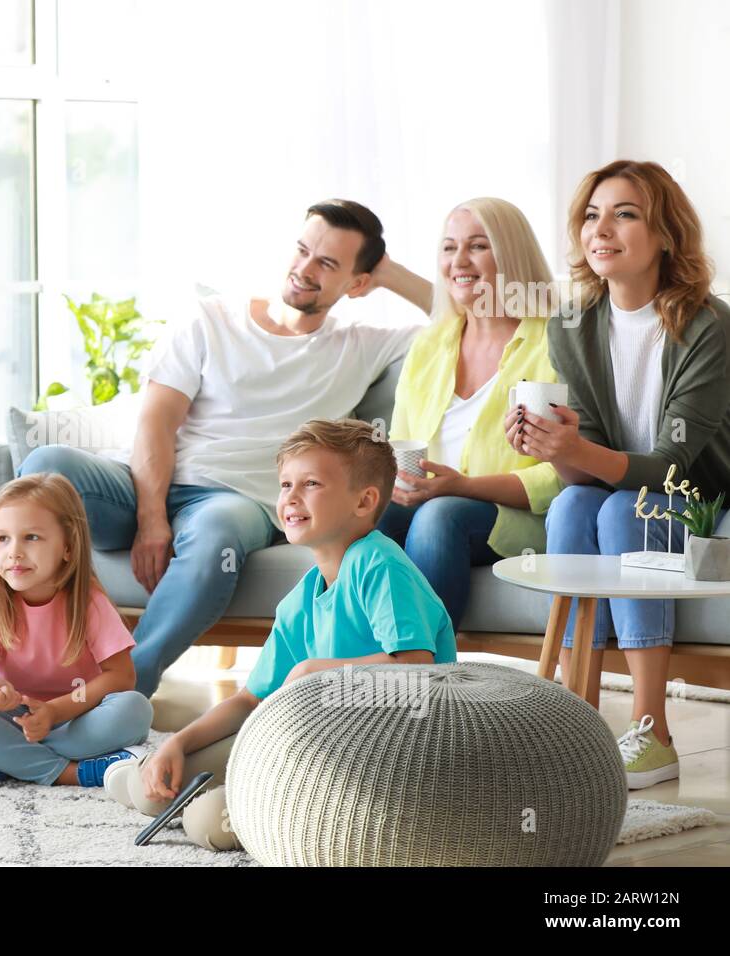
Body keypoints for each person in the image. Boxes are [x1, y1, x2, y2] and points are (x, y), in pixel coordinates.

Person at [20, 199, 432, 697]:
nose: (304, 269)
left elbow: (465, 314)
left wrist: (385, 269)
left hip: (234, 502)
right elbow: (156, 420)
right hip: (144, 485)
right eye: (303, 250)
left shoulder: (363, 345)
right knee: (44, 468)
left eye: (327, 263)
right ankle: (20, 663)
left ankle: (123, 689)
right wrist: (152, 518)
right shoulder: (211, 320)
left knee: (216, 535)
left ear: (358, 283)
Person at [106, 419, 455, 849]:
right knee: (157, 782)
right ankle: (131, 776)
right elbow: (250, 700)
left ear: (364, 502)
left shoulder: (378, 565)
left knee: (208, 823)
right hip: (313, 746)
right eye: (285, 484)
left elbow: (418, 668)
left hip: (383, 759)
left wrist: (317, 673)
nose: (290, 497)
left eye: (310, 484)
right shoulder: (299, 600)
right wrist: (176, 742)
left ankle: (189, 794)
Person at [506, 159, 730, 788]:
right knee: (574, 508)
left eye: (625, 214)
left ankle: (652, 729)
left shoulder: (708, 326)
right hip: (615, 493)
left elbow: (671, 465)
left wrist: (573, 449)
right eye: (591, 215)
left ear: (665, 234)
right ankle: (575, 722)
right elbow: (589, 469)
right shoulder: (572, 326)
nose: (601, 228)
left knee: (622, 507)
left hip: (699, 497)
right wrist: (549, 446)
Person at [377, 198, 563, 628]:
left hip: (518, 518)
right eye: (449, 247)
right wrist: (389, 482)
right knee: (362, 510)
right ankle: (341, 667)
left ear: (510, 255)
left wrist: (463, 486)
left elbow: (559, 476)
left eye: (478, 246)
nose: (459, 260)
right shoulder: (430, 344)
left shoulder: (553, 342)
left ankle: (423, 672)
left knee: (440, 515)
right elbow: (398, 444)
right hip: (430, 503)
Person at [0, 473, 154, 786]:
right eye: (2, 538)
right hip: (13, 720)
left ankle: (1, 761)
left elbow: (121, 677)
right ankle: (72, 772)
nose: (14, 552)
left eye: (31, 537)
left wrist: (53, 712)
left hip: (76, 717)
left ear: (68, 546)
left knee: (135, 709)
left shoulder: (89, 603)